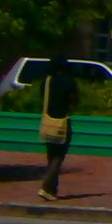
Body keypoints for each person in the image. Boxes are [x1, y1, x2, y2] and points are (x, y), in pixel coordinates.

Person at [36, 53, 77, 202]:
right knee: (58, 157)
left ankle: (52, 190)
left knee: (51, 156)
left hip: (47, 122)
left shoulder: (46, 81)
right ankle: (46, 186)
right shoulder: (69, 81)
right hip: (62, 123)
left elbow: (42, 99)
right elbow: (74, 101)